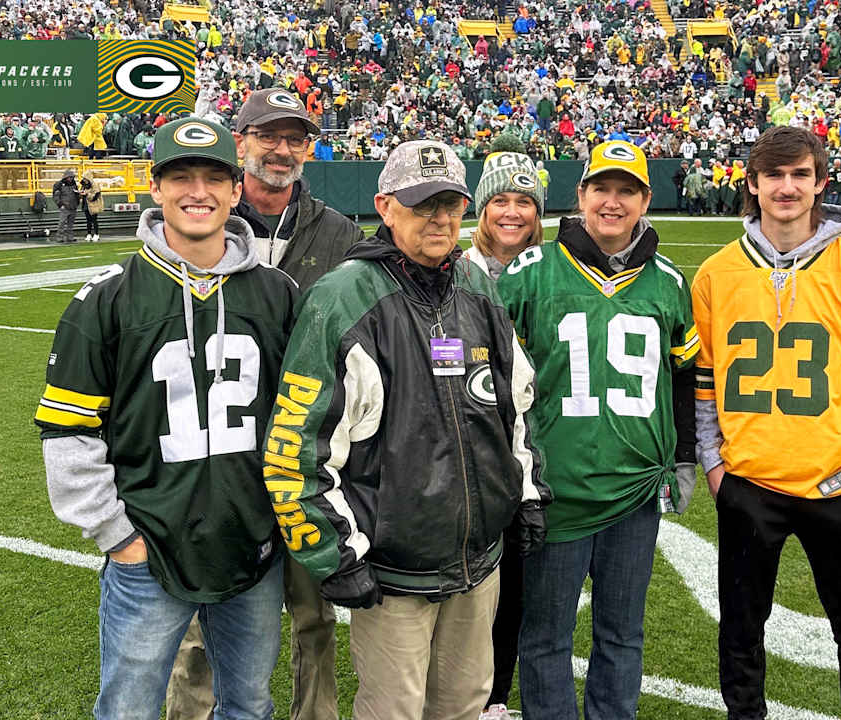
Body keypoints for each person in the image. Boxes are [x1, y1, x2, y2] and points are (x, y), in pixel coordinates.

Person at [264, 139, 549, 720]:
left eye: (451, 204)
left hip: (477, 560)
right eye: (423, 205)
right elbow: (296, 446)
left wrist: (523, 493)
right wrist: (334, 554)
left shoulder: (476, 288)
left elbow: (516, 404)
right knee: (394, 710)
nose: (440, 219)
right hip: (394, 571)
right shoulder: (343, 297)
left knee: (464, 705)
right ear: (385, 206)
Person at [35, 117, 298, 720]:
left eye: (213, 177)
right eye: (181, 176)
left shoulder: (278, 293)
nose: (197, 191)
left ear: (237, 190)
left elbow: (303, 419)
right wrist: (118, 537)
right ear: (155, 188)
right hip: (148, 546)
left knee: (250, 705)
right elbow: (68, 431)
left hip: (252, 544)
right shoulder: (106, 296)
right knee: (127, 710)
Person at [692, 126, 841, 720]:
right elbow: (706, 382)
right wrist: (715, 465)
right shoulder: (715, 272)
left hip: (836, 484)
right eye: (774, 175)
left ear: (820, 183)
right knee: (740, 631)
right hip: (748, 486)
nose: (786, 187)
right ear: (753, 183)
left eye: (799, 175)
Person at [166, 87, 364, 720]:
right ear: (240, 141)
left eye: (295, 138)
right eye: (268, 136)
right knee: (200, 625)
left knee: (314, 617)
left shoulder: (338, 232)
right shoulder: (203, 220)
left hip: (309, 456)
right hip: (218, 455)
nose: (282, 150)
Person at [501, 140, 700, 720]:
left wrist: (683, 454)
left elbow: (684, 377)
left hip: (635, 491)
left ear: (645, 200)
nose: (612, 203)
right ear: (581, 194)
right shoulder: (529, 274)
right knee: (546, 635)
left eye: (627, 191)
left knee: (621, 632)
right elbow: (489, 380)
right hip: (553, 487)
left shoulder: (668, 280)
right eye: (602, 189)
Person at [463, 151, 546, 720]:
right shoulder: (457, 267)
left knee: (515, 591)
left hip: (531, 452)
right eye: (500, 201)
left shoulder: (554, 269)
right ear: (481, 207)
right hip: (466, 451)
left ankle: (493, 701)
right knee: (464, 595)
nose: (511, 213)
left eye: (524, 202)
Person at [52, 168, 80, 243]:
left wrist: (77, 202)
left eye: (72, 177)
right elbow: (56, 196)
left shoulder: (74, 184)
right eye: (69, 177)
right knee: (62, 223)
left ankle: (70, 237)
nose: (71, 179)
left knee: (71, 223)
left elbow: (76, 194)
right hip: (64, 207)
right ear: (66, 177)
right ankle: (59, 237)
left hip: (73, 206)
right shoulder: (59, 184)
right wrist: (60, 204)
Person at [80, 171, 103, 242]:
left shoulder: (95, 185)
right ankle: (89, 234)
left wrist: (87, 194)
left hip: (94, 205)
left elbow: (95, 196)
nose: (84, 180)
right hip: (86, 204)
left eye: (85, 179)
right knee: (88, 220)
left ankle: (96, 234)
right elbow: (82, 193)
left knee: (94, 220)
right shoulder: (83, 186)